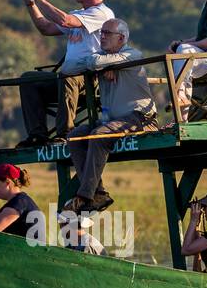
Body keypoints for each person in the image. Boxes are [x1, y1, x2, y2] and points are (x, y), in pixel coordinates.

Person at [64, 19, 158, 213]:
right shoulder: (105, 59)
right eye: (101, 33)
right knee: (75, 136)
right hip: (114, 121)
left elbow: (94, 62)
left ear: (121, 38)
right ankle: (98, 193)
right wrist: (104, 65)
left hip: (139, 118)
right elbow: (68, 68)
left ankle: (84, 196)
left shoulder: (132, 55)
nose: (102, 36)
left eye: (107, 33)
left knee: (99, 135)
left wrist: (103, 64)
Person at [17, 0, 114, 147]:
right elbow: (45, 28)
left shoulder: (102, 13)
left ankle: (66, 134)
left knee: (67, 75)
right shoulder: (79, 14)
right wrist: (31, 5)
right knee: (28, 79)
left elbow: (65, 21)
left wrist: (41, 0)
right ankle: (37, 135)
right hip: (69, 78)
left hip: (92, 78)